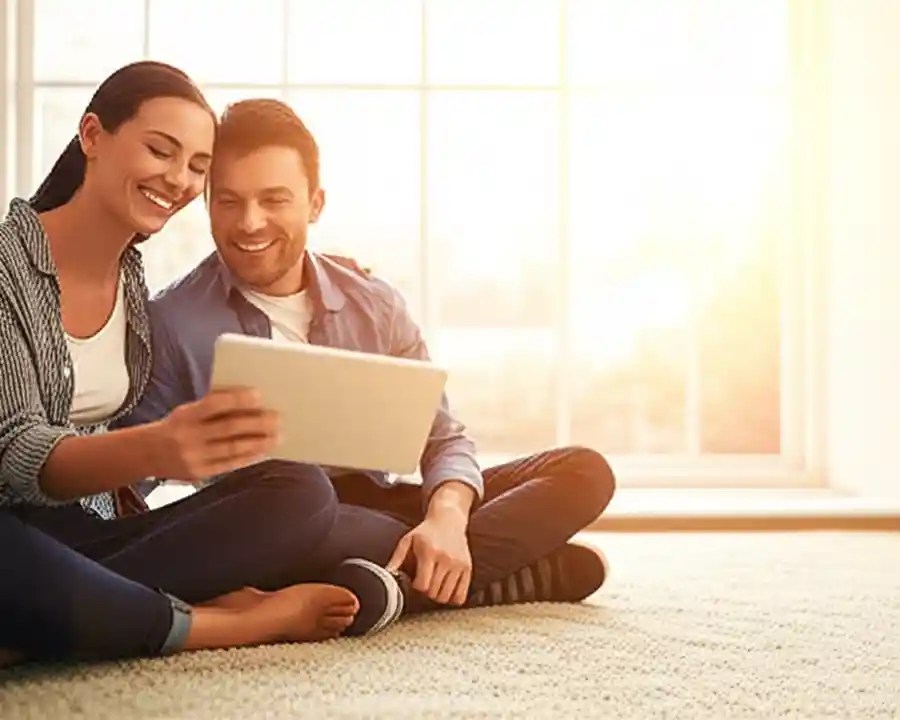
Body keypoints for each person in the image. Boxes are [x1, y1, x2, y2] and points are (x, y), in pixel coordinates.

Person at [119, 98, 616, 635]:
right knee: (307, 512)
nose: (250, 223)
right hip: (279, 524)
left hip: (386, 510)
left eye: (274, 200)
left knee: (585, 472)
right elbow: (129, 480)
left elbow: (444, 439)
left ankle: (398, 587)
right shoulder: (172, 323)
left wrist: (446, 520)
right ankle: (489, 570)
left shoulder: (373, 302)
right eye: (230, 202)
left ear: (315, 204)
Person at [0, 62, 367, 668]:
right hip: (12, 528)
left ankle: (58, 616)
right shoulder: (9, 265)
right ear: (92, 136)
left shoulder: (132, 280)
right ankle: (224, 622)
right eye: (160, 151)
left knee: (301, 491)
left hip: (85, 534)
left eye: (197, 166)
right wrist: (159, 449)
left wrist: (325, 268)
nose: (178, 179)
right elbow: (16, 454)